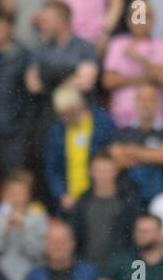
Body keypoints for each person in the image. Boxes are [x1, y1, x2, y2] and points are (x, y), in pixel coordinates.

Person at [101, 0, 163, 128]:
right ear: (129, 20)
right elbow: (108, 81)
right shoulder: (118, 43)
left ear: (153, 20)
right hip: (121, 117)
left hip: (154, 118)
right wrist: (148, 78)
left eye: (144, 16)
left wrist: (141, 59)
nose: (140, 21)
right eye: (136, 16)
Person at [44, 85, 115, 213]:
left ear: (78, 106)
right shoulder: (57, 131)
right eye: (62, 115)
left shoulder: (101, 122)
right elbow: (52, 167)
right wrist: (61, 194)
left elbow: (112, 155)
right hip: (70, 198)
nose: (65, 119)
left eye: (68, 114)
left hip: (97, 195)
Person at [0, 170, 49, 280]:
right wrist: (4, 229)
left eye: (21, 194)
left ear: (28, 195)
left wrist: (24, 229)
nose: (17, 198)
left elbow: (38, 253)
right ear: (6, 196)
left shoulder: (38, 219)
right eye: (13, 194)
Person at [108, 83, 163, 204]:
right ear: (135, 103)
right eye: (142, 99)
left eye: (150, 99)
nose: (146, 104)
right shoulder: (122, 132)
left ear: (158, 104)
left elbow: (161, 157)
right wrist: (150, 155)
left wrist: (130, 150)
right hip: (128, 194)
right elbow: (119, 160)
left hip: (158, 194)